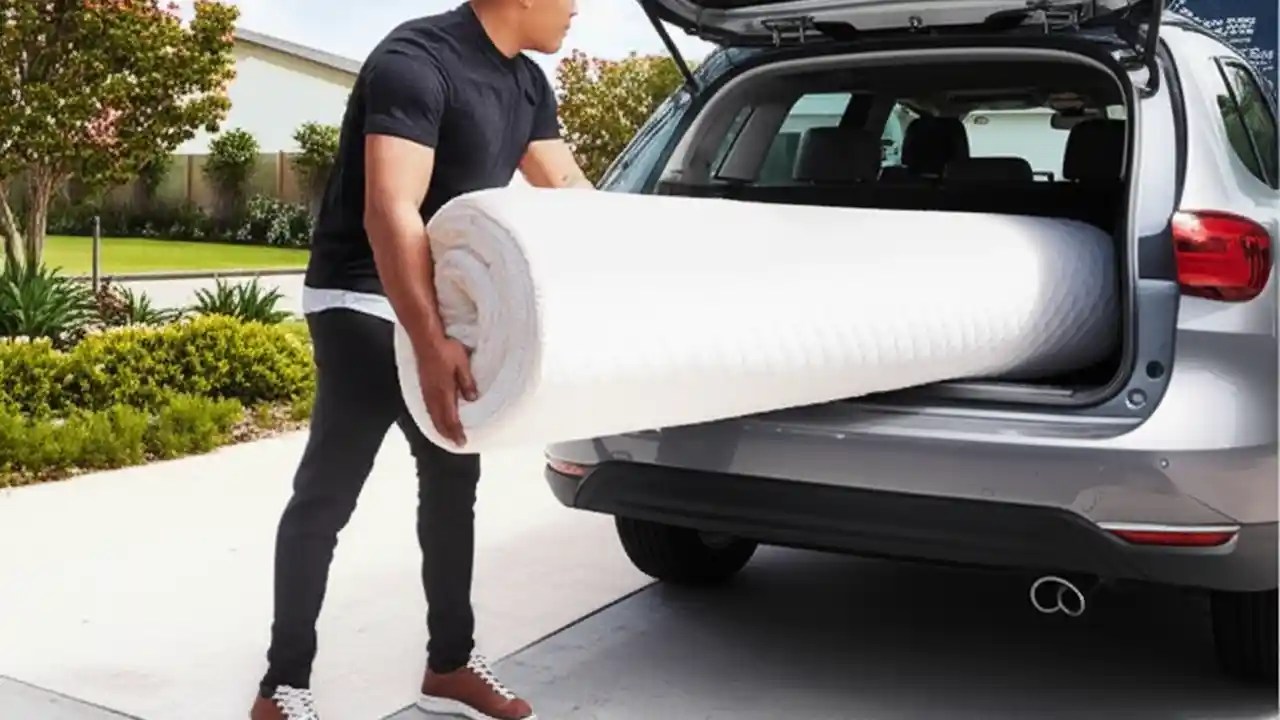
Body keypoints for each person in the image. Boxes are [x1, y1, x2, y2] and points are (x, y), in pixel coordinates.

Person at [249, 0, 591, 717]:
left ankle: (450, 664)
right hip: (360, 299)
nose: (577, 8)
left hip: (438, 305)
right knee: (329, 490)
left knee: (451, 481)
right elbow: (389, 209)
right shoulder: (417, 60)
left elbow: (570, 196)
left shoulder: (527, 84)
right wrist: (429, 343)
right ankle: (282, 687)